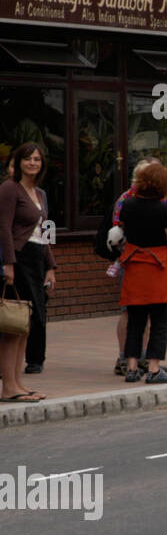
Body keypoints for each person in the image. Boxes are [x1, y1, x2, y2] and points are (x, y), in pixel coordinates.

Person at [0, 143, 57, 400]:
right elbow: (4, 228)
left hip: (36, 260)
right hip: (19, 259)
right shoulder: (9, 188)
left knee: (27, 325)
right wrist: (8, 263)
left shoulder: (41, 194)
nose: (32, 163)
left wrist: (51, 266)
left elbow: (45, 232)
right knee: (14, 325)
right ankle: (8, 387)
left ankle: (18, 384)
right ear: (18, 162)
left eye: (37, 159)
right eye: (27, 158)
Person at [118, 162, 167, 384]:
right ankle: (153, 369)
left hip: (134, 268)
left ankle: (132, 368)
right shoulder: (163, 208)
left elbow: (123, 230)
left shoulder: (128, 205)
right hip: (157, 269)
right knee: (160, 322)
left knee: (135, 321)